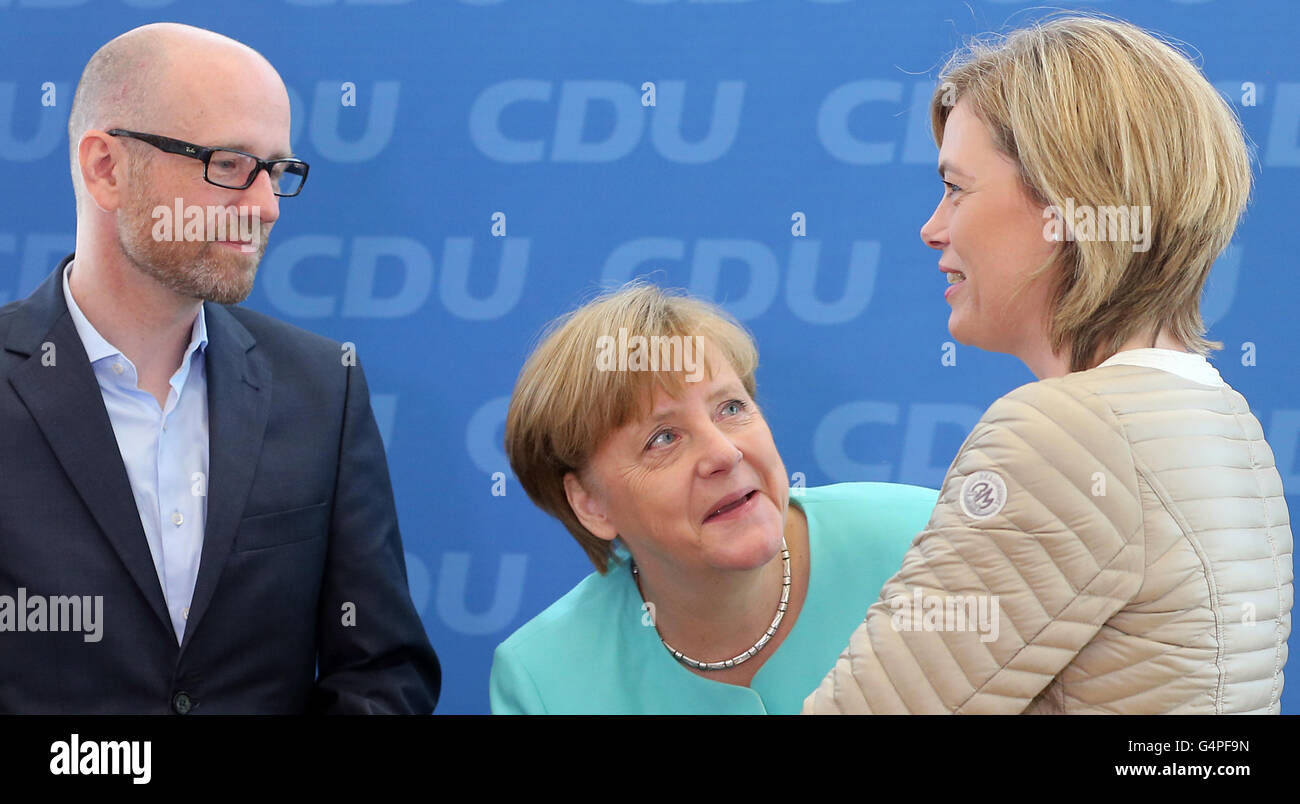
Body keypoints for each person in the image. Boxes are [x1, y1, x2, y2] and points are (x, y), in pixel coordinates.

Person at [805, 15, 1292, 714]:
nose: (932, 227)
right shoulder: (1221, 419)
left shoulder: (1062, 437)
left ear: (1064, 204)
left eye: (957, 188)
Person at [0, 24, 439, 713]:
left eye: (278, 171)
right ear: (106, 168)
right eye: (229, 164)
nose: (264, 208)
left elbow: (383, 670)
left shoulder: (323, 388)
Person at [489, 283, 937, 714]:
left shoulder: (927, 540)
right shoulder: (544, 679)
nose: (724, 452)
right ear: (590, 503)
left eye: (731, 408)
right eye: (663, 438)